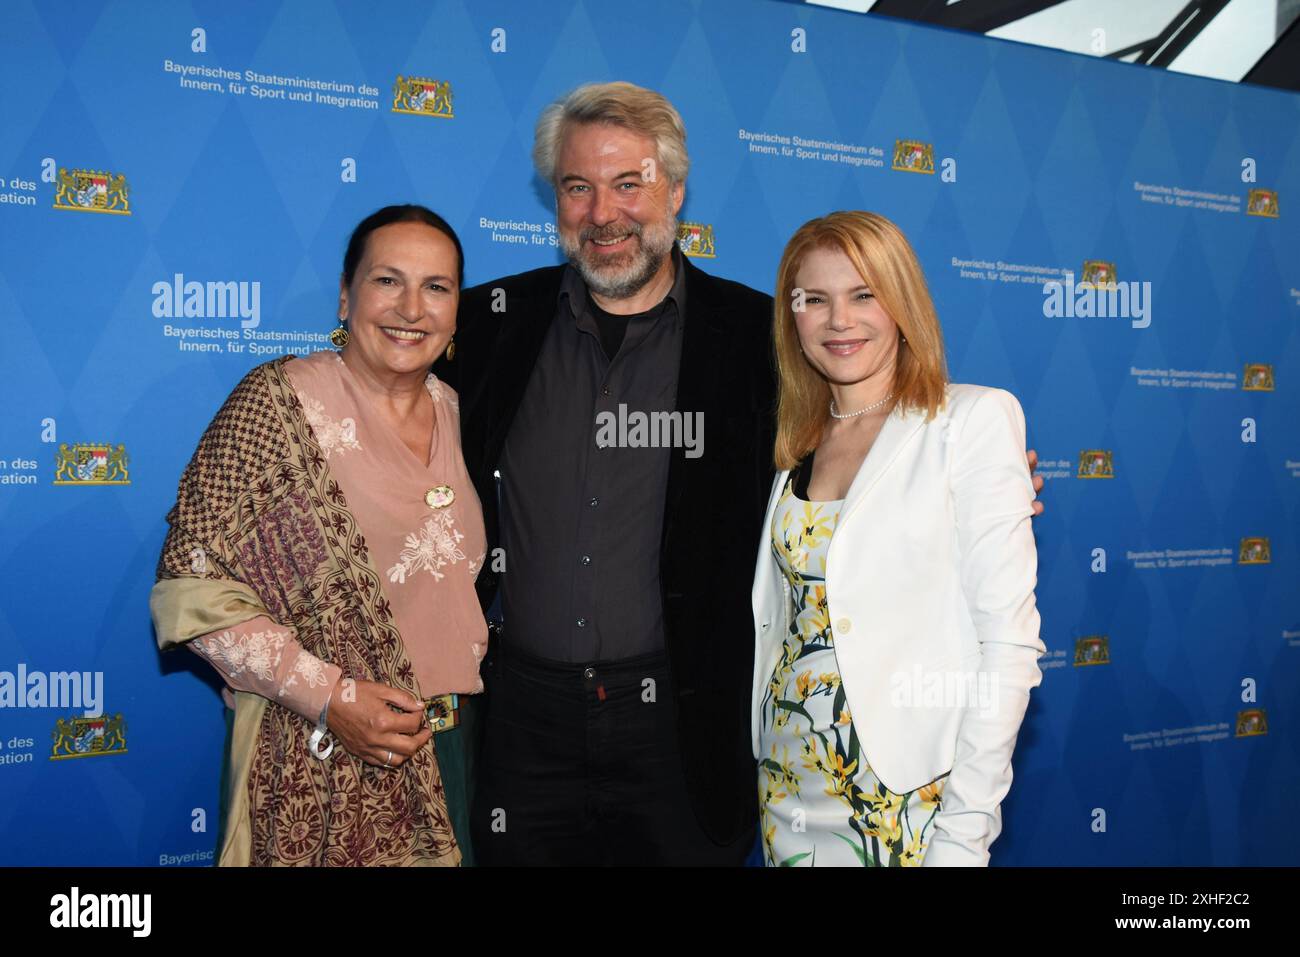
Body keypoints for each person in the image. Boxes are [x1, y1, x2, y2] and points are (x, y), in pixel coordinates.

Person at [442, 81, 1043, 866]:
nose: (604, 212)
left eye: (631, 183)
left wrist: (988, 481)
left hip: (685, 731)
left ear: (677, 190)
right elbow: (392, 426)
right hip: (524, 726)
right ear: (553, 197)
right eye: (577, 186)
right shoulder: (488, 325)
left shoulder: (761, 341)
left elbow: (886, 440)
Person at [151, 205, 486, 866]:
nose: (411, 307)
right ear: (345, 293)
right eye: (388, 280)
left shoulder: (459, 409)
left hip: (447, 753)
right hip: (316, 750)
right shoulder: (277, 405)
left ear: (455, 310)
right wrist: (332, 697)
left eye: (437, 287)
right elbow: (191, 590)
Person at [752, 211, 1044, 866]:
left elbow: (1008, 647)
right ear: (790, 316)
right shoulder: (794, 440)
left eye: (864, 295)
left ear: (902, 303)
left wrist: (964, 836)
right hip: (788, 786)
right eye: (815, 300)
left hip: (904, 799)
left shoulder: (969, 421)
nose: (839, 320)